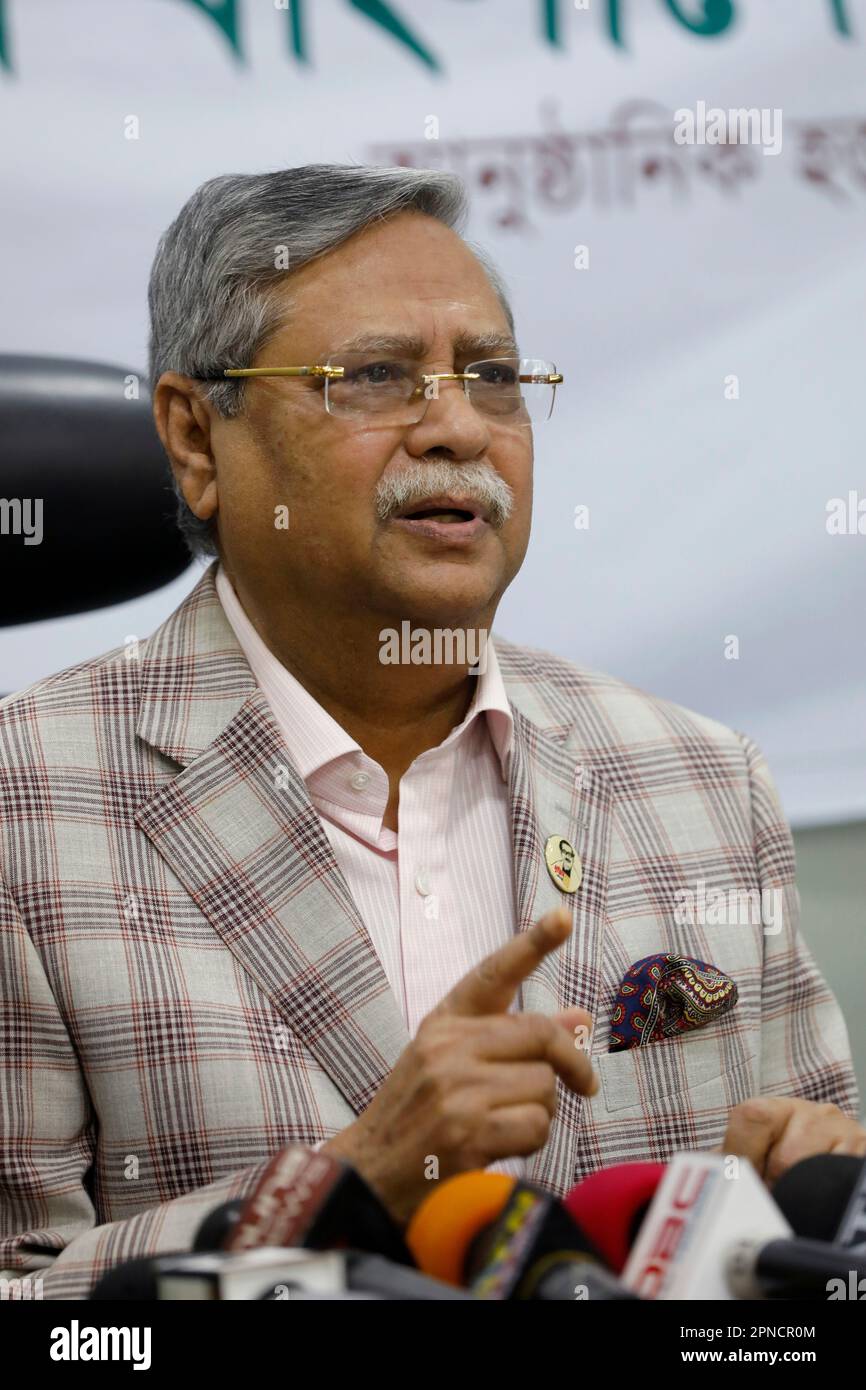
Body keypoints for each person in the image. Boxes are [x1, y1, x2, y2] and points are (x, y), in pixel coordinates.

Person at [0, 165, 861, 1299]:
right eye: (373, 377)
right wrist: (347, 1180)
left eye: (494, 377)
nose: (457, 425)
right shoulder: (28, 804)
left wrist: (809, 1204)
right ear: (197, 440)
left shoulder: (698, 782)